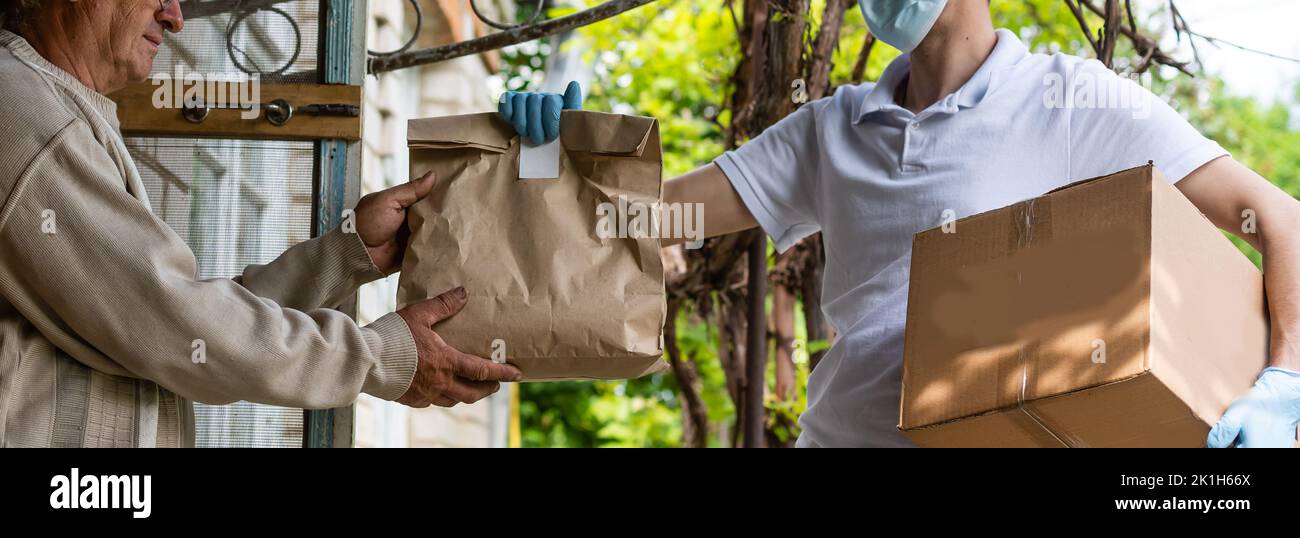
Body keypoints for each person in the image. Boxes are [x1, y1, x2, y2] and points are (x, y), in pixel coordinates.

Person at [502, 0, 1300, 447]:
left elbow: (1279, 219)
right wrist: (551, 163)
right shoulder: (832, 130)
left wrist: (1285, 382)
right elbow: (658, 218)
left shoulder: (1070, 99)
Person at [0, 0, 520, 447]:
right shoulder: (24, 112)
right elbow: (180, 325)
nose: (176, 17)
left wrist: (344, 255)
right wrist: (378, 356)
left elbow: (174, 315)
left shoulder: (54, 108)